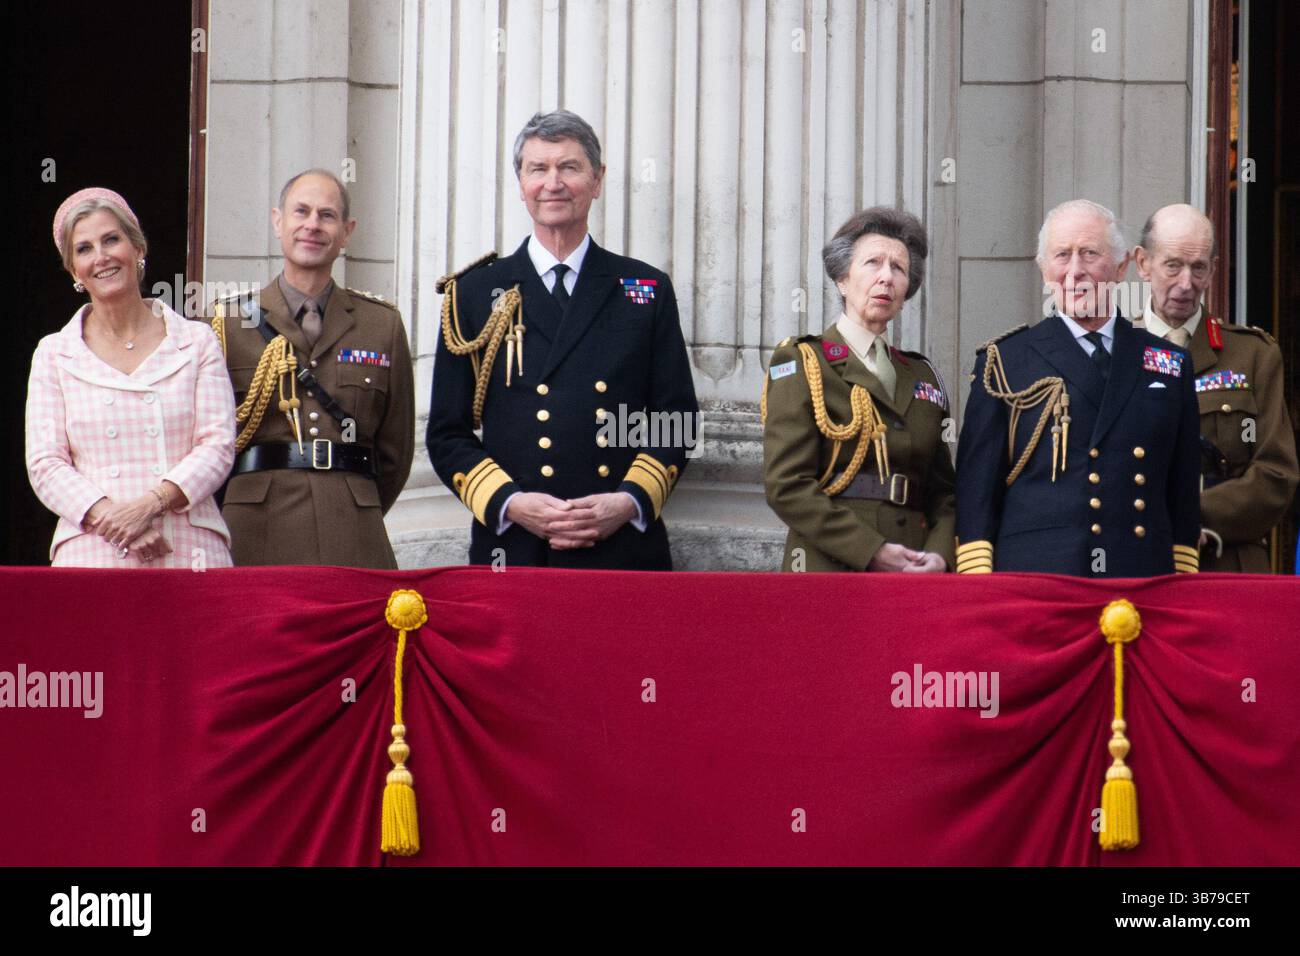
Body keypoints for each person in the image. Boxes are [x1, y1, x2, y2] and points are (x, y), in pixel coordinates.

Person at [427, 110, 699, 569]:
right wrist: (511, 504)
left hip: (621, 547)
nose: (553, 182)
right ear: (521, 184)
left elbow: (674, 420)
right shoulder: (473, 294)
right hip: (514, 548)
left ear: (597, 180)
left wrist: (628, 502)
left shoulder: (644, 288)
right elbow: (448, 433)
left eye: (569, 167)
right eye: (538, 169)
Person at [955, 199, 1201, 576]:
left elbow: (1181, 490)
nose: (1074, 271)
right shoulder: (1004, 361)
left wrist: (1182, 571)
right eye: (1061, 255)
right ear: (1043, 270)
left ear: (1120, 268)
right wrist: (979, 580)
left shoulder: (1170, 363)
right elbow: (977, 490)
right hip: (1036, 577)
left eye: (1089, 254)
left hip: (1140, 574)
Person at [210, 169, 415, 567]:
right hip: (253, 528)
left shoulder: (381, 324)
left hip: (352, 528)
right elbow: (207, 443)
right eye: (300, 211)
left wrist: (354, 501)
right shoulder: (226, 323)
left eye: (327, 215)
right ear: (277, 221)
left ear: (347, 230)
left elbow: (396, 452)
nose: (312, 225)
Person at [26, 187, 234, 568]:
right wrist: (118, 521)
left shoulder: (196, 340)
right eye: (84, 248)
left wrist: (149, 506)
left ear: (138, 249)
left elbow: (217, 445)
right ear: (74, 269)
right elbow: (46, 463)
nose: (101, 257)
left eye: (111, 240)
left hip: (189, 549)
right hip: (91, 551)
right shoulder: (54, 353)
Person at [762, 207, 955, 573]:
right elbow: (787, 485)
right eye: (873, 263)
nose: (886, 277)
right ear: (842, 280)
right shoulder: (804, 362)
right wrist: (873, 551)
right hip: (832, 568)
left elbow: (944, 492)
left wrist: (940, 554)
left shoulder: (922, 375)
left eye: (898, 268)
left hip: (916, 570)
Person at [1132, 204, 1298, 572]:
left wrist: (1192, 514)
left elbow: (1276, 474)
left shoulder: (1253, 355)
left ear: (1214, 270)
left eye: (1199, 268)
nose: (1186, 284)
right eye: (1172, 265)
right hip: (1138, 565)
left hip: (1228, 565)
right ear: (1143, 264)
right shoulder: (1114, 354)